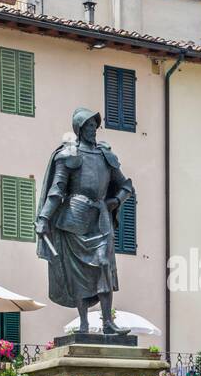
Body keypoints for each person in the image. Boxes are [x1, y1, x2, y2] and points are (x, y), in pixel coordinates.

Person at [34, 108, 135, 334]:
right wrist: (43, 218)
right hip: (74, 219)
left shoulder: (106, 155)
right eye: (87, 126)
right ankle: (83, 324)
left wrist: (114, 201)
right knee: (79, 275)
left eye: (94, 126)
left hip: (100, 218)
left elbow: (126, 186)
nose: (92, 130)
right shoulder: (68, 154)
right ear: (79, 129)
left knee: (104, 265)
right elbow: (57, 189)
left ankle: (108, 322)